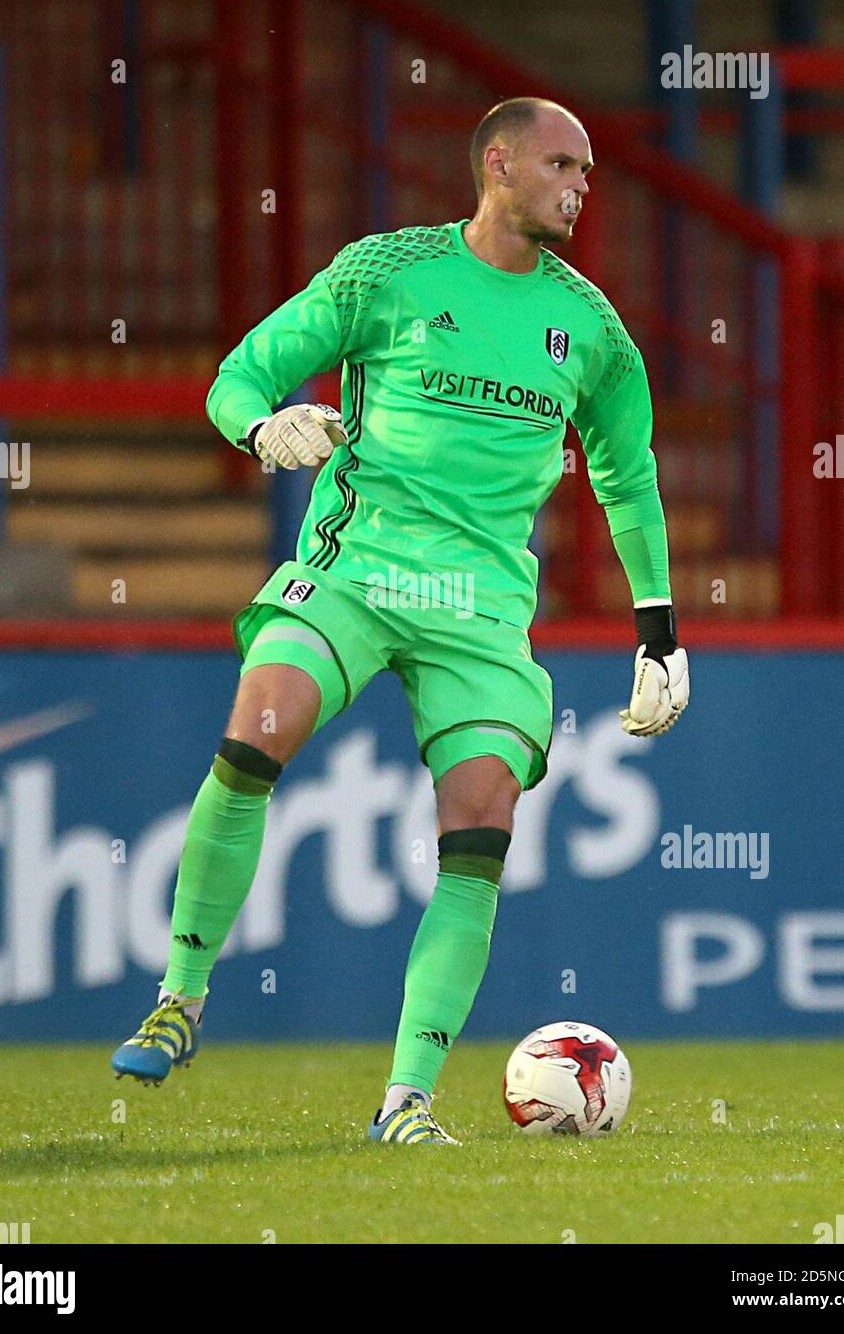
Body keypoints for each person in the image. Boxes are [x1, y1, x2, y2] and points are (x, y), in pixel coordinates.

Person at [111, 96, 689, 1145]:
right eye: (563, 163)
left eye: (591, 169)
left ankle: (405, 1103)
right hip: (358, 570)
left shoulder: (592, 328)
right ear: (498, 164)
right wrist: (264, 423)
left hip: (481, 610)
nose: (581, 184)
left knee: (479, 830)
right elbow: (240, 373)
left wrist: (658, 629)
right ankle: (180, 998)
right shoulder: (387, 273)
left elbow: (628, 475)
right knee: (259, 731)